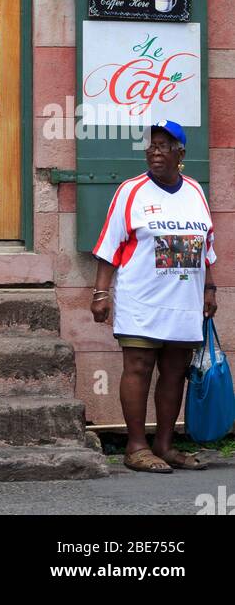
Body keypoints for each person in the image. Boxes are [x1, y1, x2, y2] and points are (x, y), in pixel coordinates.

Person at [91, 120, 218, 473]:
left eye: (164, 145)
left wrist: (209, 289)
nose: (155, 150)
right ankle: (135, 446)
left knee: (175, 370)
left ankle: (164, 444)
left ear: (181, 153)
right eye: (151, 145)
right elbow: (109, 247)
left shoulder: (195, 191)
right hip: (142, 298)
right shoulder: (131, 191)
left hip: (184, 299)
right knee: (139, 366)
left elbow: (207, 247)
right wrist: (102, 292)